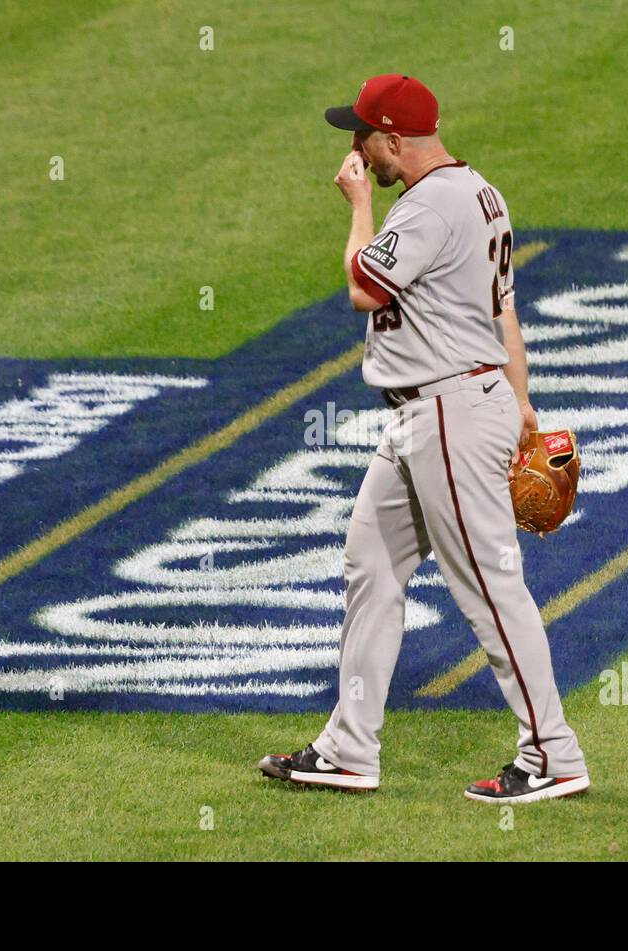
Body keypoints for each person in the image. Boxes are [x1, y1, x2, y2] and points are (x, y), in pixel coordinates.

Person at [258, 75, 589, 802]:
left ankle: (553, 754)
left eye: (362, 136)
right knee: (370, 562)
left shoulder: (429, 205)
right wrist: (521, 400)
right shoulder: (482, 192)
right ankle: (349, 749)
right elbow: (503, 312)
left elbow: (363, 287)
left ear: (394, 140)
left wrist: (359, 207)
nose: (355, 149)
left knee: (489, 587)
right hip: (445, 408)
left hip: (448, 416)